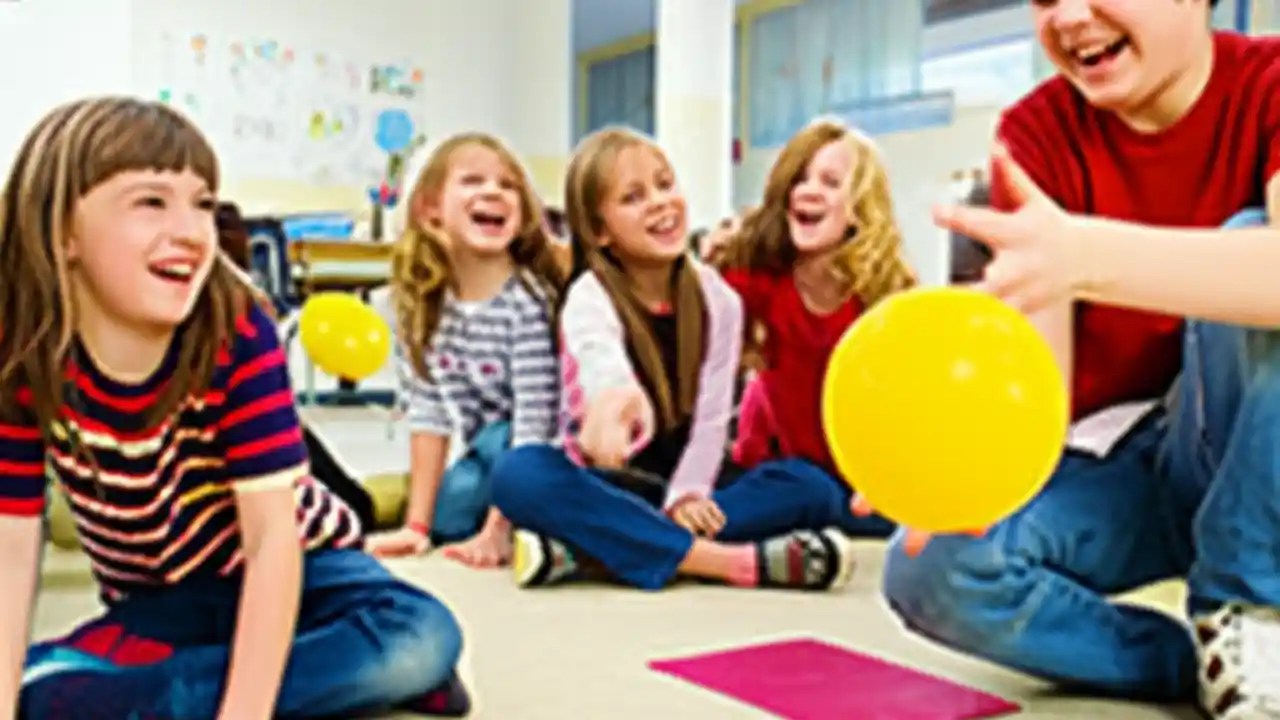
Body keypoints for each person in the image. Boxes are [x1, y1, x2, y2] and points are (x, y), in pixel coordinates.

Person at [869, 1, 1280, 716]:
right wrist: (957, 471)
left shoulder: (1270, 83)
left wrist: (1087, 256)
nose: (1070, 17)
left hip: (1255, 459)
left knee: (1252, 241)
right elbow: (1041, 389)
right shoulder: (1035, 133)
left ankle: (1248, 600)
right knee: (930, 569)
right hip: (1124, 466)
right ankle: (1199, 661)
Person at [0, 97, 469, 719]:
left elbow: (274, 539)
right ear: (63, 231)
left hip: (307, 566)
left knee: (423, 635)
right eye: (151, 202)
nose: (192, 230)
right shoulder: (25, 350)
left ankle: (143, 696)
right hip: (159, 597)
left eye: (202, 203)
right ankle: (329, 676)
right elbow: (11, 542)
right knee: (38, 676)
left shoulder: (236, 331)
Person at [489, 127, 858, 592]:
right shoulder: (589, 297)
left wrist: (688, 493)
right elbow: (600, 360)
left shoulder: (718, 299)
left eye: (665, 185)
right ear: (600, 231)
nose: (661, 203)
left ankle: (588, 550)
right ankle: (726, 562)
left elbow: (711, 419)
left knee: (811, 486)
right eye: (633, 197)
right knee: (518, 474)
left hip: (689, 481)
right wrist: (616, 404)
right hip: (612, 484)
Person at [709, 118, 916, 538]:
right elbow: (699, 339)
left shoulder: (885, 297)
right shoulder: (759, 283)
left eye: (830, 181)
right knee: (803, 487)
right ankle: (658, 532)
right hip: (784, 476)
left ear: (859, 205)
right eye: (800, 178)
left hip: (866, 491)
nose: (808, 189)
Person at [366, 132, 566, 568]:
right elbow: (429, 413)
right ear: (430, 208)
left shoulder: (527, 303)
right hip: (486, 451)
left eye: (507, 185)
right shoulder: (425, 302)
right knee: (449, 519)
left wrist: (498, 531)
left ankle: (539, 526)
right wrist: (415, 527)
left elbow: (537, 423)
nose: (492, 191)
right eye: (472, 180)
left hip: (541, 451)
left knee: (499, 444)